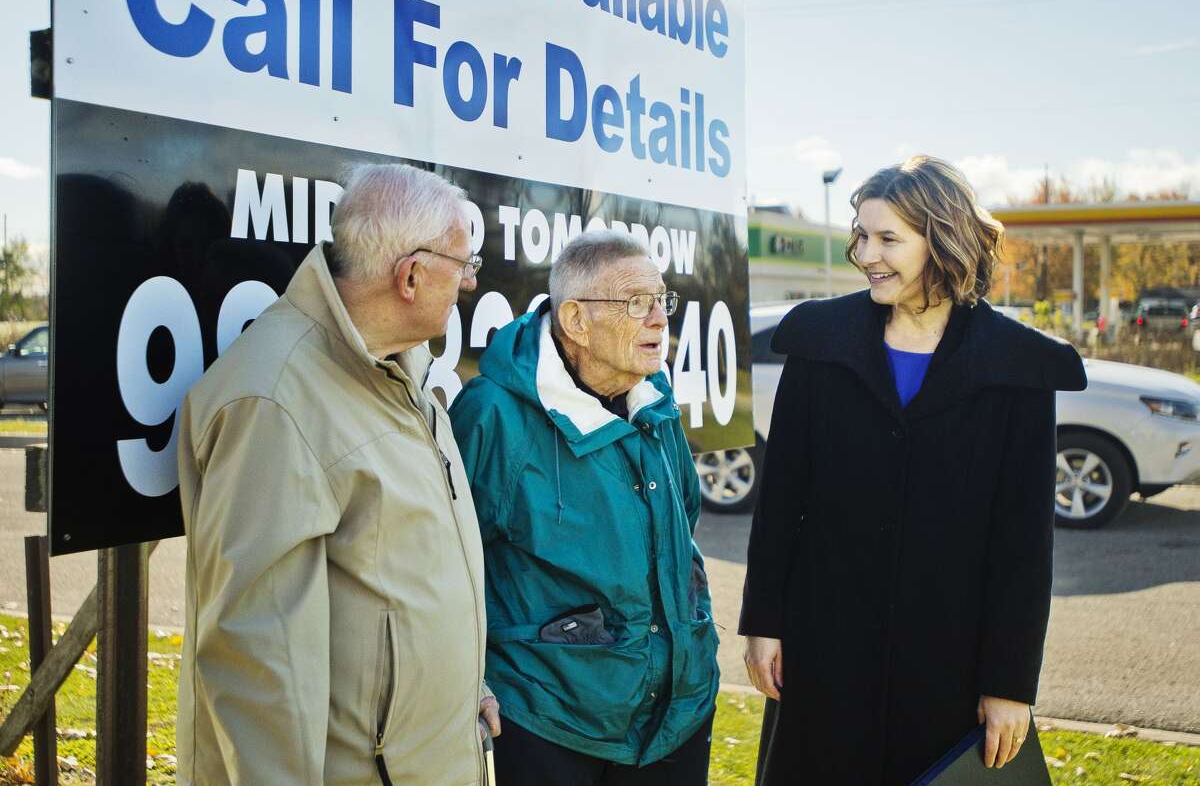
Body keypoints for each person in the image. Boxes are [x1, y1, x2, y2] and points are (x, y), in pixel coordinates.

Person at [740, 155, 1086, 785]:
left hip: (948, 664)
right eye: (862, 236)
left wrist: (1009, 683)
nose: (867, 254)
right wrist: (764, 622)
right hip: (825, 650)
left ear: (944, 241)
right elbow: (783, 496)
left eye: (888, 239)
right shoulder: (820, 342)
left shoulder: (1018, 368)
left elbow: (1023, 543)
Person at [176, 163, 500, 786]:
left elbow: (400, 583)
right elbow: (255, 665)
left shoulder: (396, 371)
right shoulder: (272, 401)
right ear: (410, 275)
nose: (469, 283)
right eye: (464, 264)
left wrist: (462, 691)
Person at [450, 230, 720, 784]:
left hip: (678, 711)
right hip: (552, 721)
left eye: (661, 300)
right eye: (635, 303)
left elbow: (682, 517)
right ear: (576, 321)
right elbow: (450, 566)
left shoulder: (654, 392)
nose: (658, 320)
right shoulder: (494, 415)